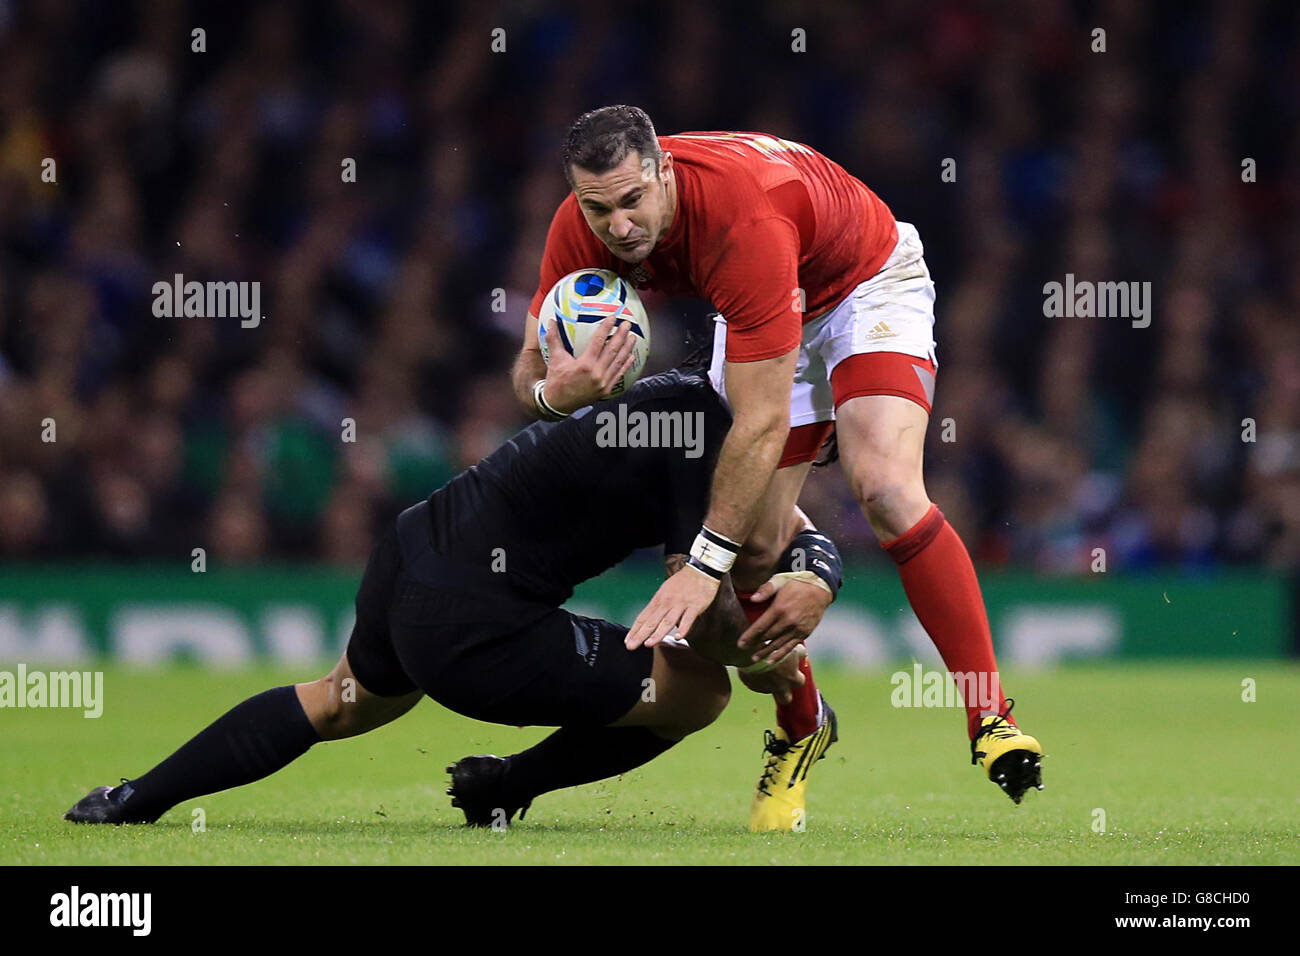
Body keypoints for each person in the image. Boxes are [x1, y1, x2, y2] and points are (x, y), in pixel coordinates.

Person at [511, 105, 1042, 802]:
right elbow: (525, 375)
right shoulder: (576, 228)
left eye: (634, 200)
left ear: (664, 172)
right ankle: (803, 724)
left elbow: (758, 423)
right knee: (752, 558)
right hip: (758, 305)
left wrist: (701, 564)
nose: (619, 227)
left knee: (882, 485)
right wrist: (559, 392)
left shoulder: (741, 216)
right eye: (598, 208)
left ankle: (990, 717)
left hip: (864, 282)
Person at [64, 367, 843, 831]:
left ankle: (131, 800)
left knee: (339, 702)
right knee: (699, 692)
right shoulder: (708, 433)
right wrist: (766, 654)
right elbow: (703, 616)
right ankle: (506, 790)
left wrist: (818, 571)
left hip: (412, 549)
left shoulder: (683, 402)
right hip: (475, 622)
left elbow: (781, 527)